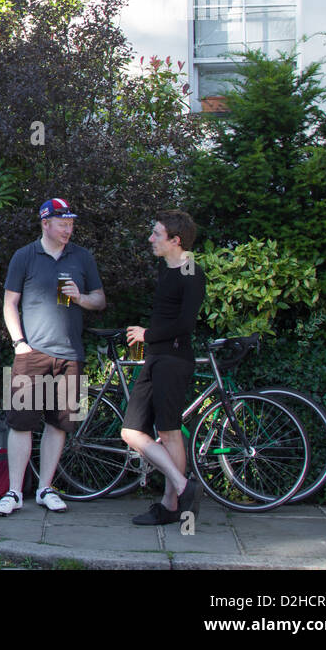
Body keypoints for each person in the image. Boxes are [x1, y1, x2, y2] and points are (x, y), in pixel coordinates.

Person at [0, 197, 106, 516]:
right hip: (32, 353)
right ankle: (14, 492)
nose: (68, 229)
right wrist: (19, 342)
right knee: (20, 424)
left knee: (59, 424)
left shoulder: (82, 258)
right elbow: (9, 303)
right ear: (45, 224)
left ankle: (46, 488)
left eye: (71, 223)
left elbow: (100, 300)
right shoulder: (24, 256)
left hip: (70, 354)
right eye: (62, 223)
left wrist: (81, 297)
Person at [122, 210, 207, 525]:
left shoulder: (191, 271)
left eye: (157, 234)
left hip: (172, 359)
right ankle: (183, 487)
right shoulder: (166, 269)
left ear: (176, 240)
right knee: (131, 431)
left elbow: (186, 323)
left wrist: (149, 335)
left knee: (170, 433)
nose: (151, 239)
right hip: (157, 358)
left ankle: (172, 504)